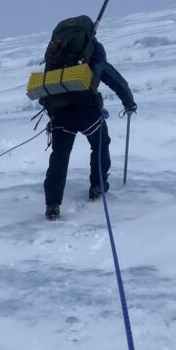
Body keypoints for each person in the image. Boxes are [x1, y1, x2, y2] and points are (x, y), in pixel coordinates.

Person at [40, 19, 136, 220]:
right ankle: (97, 185)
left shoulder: (57, 51)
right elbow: (113, 77)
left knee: (60, 155)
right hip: (87, 111)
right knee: (100, 144)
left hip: (60, 113)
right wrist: (129, 103)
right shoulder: (93, 50)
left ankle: (52, 204)